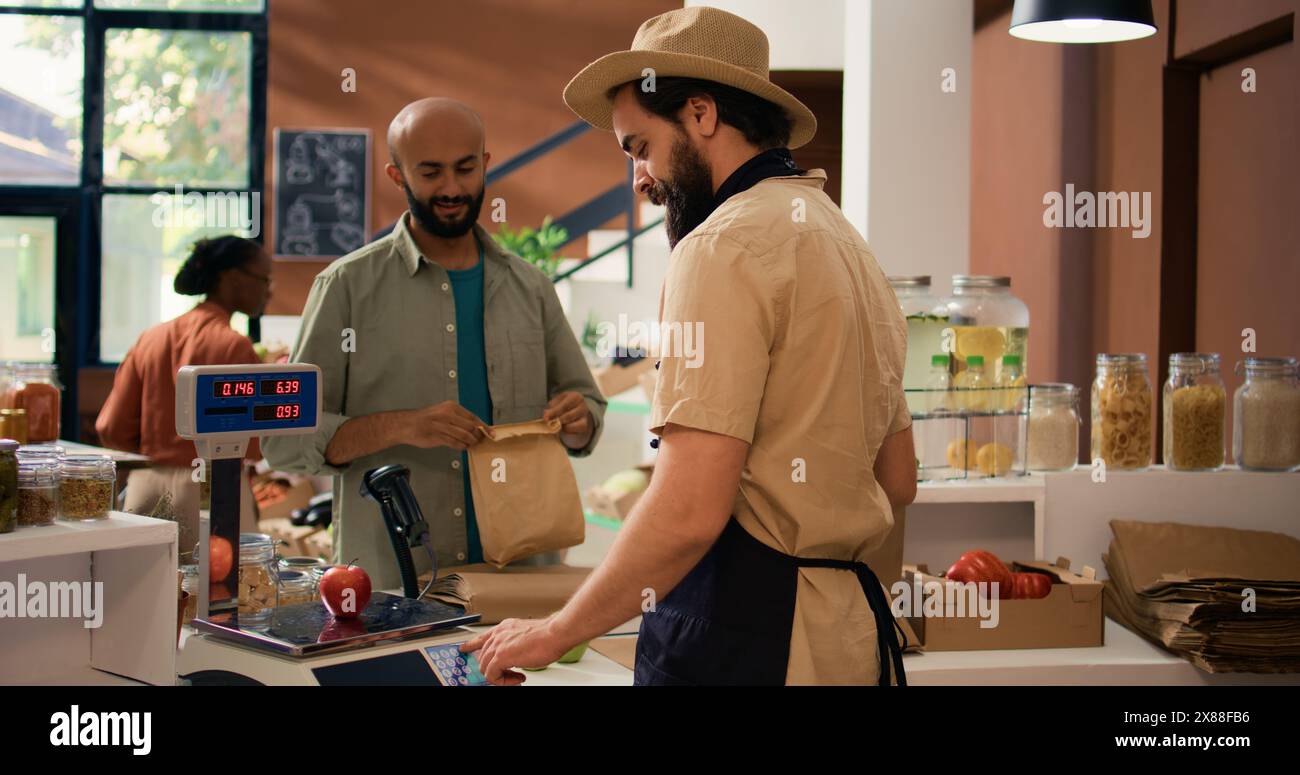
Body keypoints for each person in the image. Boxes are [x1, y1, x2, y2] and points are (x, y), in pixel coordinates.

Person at [463, 7, 917, 686]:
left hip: (751, 634)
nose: (640, 181)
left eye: (640, 147)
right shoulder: (847, 244)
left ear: (701, 114)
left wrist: (555, 631)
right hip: (846, 636)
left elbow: (687, 511)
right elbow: (898, 478)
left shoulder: (720, 246)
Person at [261, 98, 605, 590]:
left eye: (465, 169)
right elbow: (286, 441)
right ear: (396, 175)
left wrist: (579, 419)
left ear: (485, 164)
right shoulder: (345, 288)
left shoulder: (531, 288)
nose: (451, 188)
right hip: (389, 583)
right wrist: (403, 425)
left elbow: (586, 410)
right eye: (430, 173)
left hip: (520, 582)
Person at [96, 235, 272, 550]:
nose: (268, 291)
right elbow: (255, 445)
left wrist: (156, 453)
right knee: (224, 594)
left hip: (147, 486)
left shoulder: (151, 338)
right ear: (231, 278)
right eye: (263, 279)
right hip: (214, 489)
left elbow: (110, 428)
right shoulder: (234, 346)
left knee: (144, 593)